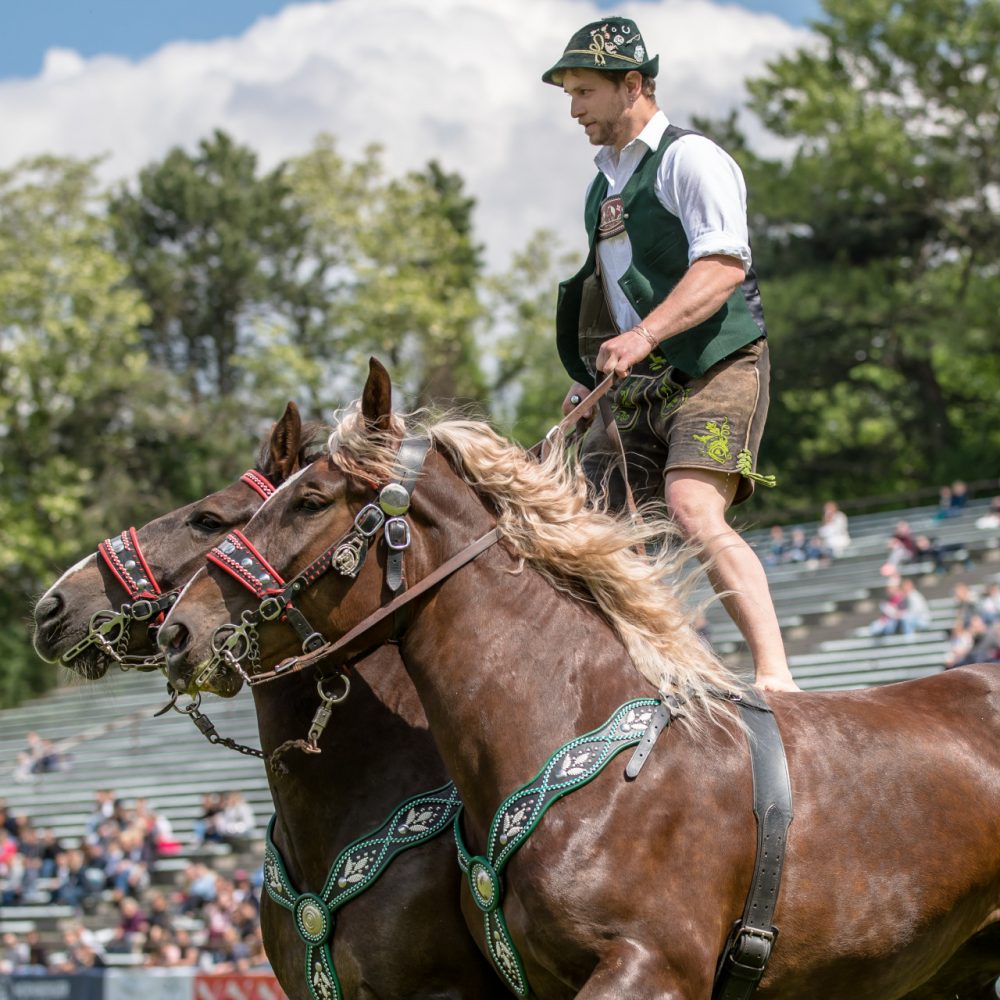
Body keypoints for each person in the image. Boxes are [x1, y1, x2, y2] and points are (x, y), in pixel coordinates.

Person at [543, 17, 798, 692]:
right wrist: (586, 377)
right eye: (568, 93)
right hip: (636, 385)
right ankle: (656, 676)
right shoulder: (601, 187)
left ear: (633, 84)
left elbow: (720, 269)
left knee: (690, 507)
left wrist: (646, 336)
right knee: (580, 529)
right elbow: (613, 298)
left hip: (718, 365)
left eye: (584, 91)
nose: (573, 110)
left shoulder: (693, 159)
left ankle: (775, 675)